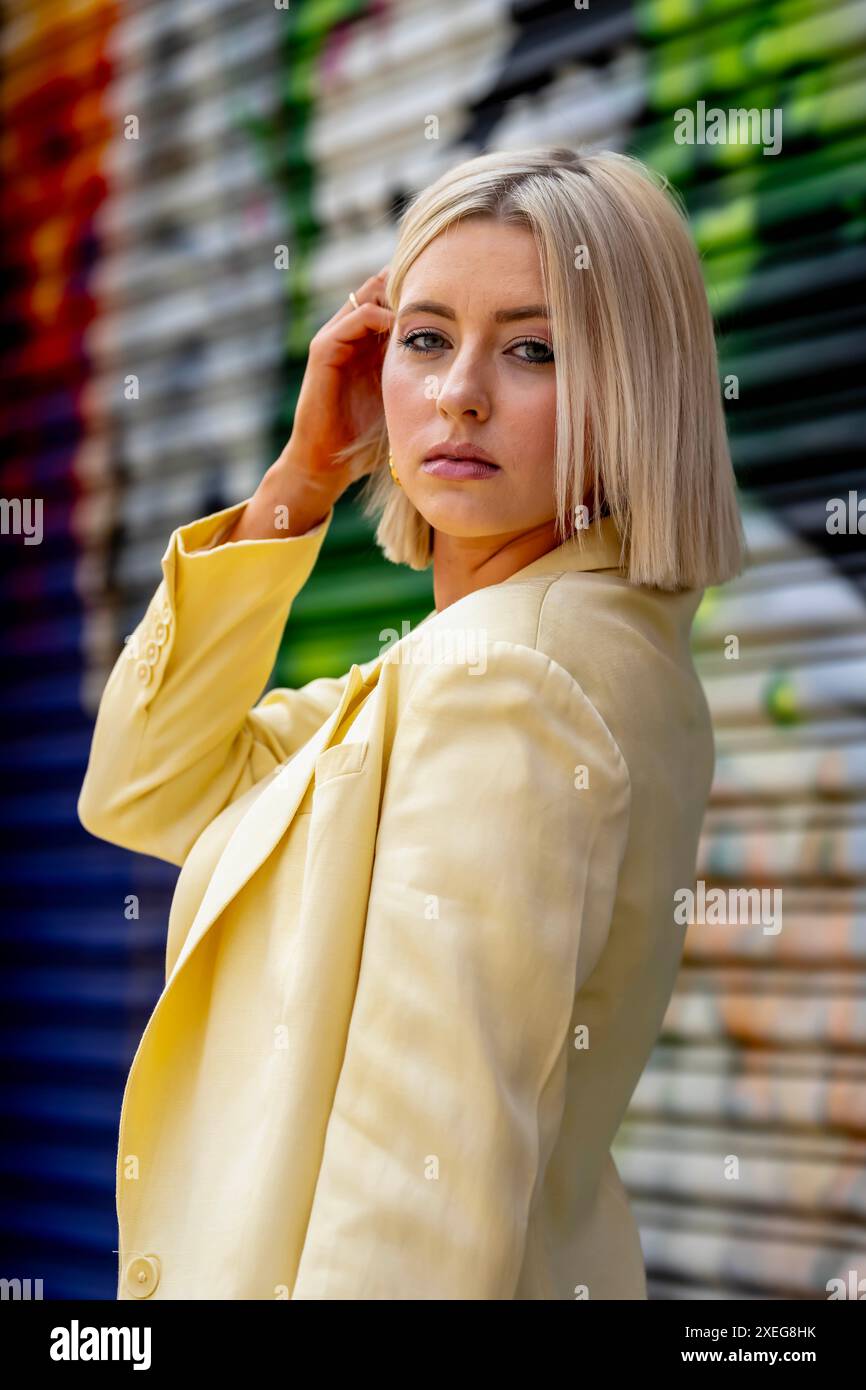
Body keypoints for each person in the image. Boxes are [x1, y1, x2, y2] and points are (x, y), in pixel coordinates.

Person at [78, 145, 746, 1301]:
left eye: (532, 349)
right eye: (425, 339)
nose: (457, 394)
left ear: (632, 385)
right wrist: (302, 476)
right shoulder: (512, 654)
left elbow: (417, 1191)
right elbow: (147, 785)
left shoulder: (509, 681)